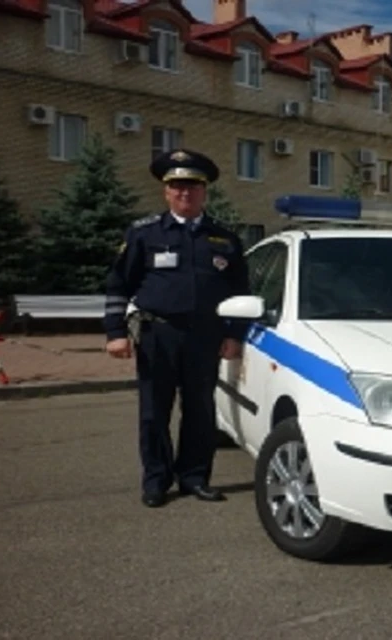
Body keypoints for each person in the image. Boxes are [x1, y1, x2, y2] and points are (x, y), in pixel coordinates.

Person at [103, 149, 251, 508]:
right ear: (166, 192)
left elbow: (241, 292)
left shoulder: (225, 239)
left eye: (193, 187)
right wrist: (115, 333)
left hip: (206, 337)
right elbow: (119, 283)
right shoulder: (144, 234)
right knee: (154, 411)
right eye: (177, 186)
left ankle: (194, 477)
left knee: (200, 411)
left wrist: (234, 334)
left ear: (204, 192)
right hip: (159, 334)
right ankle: (156, 480)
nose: (185, 193)